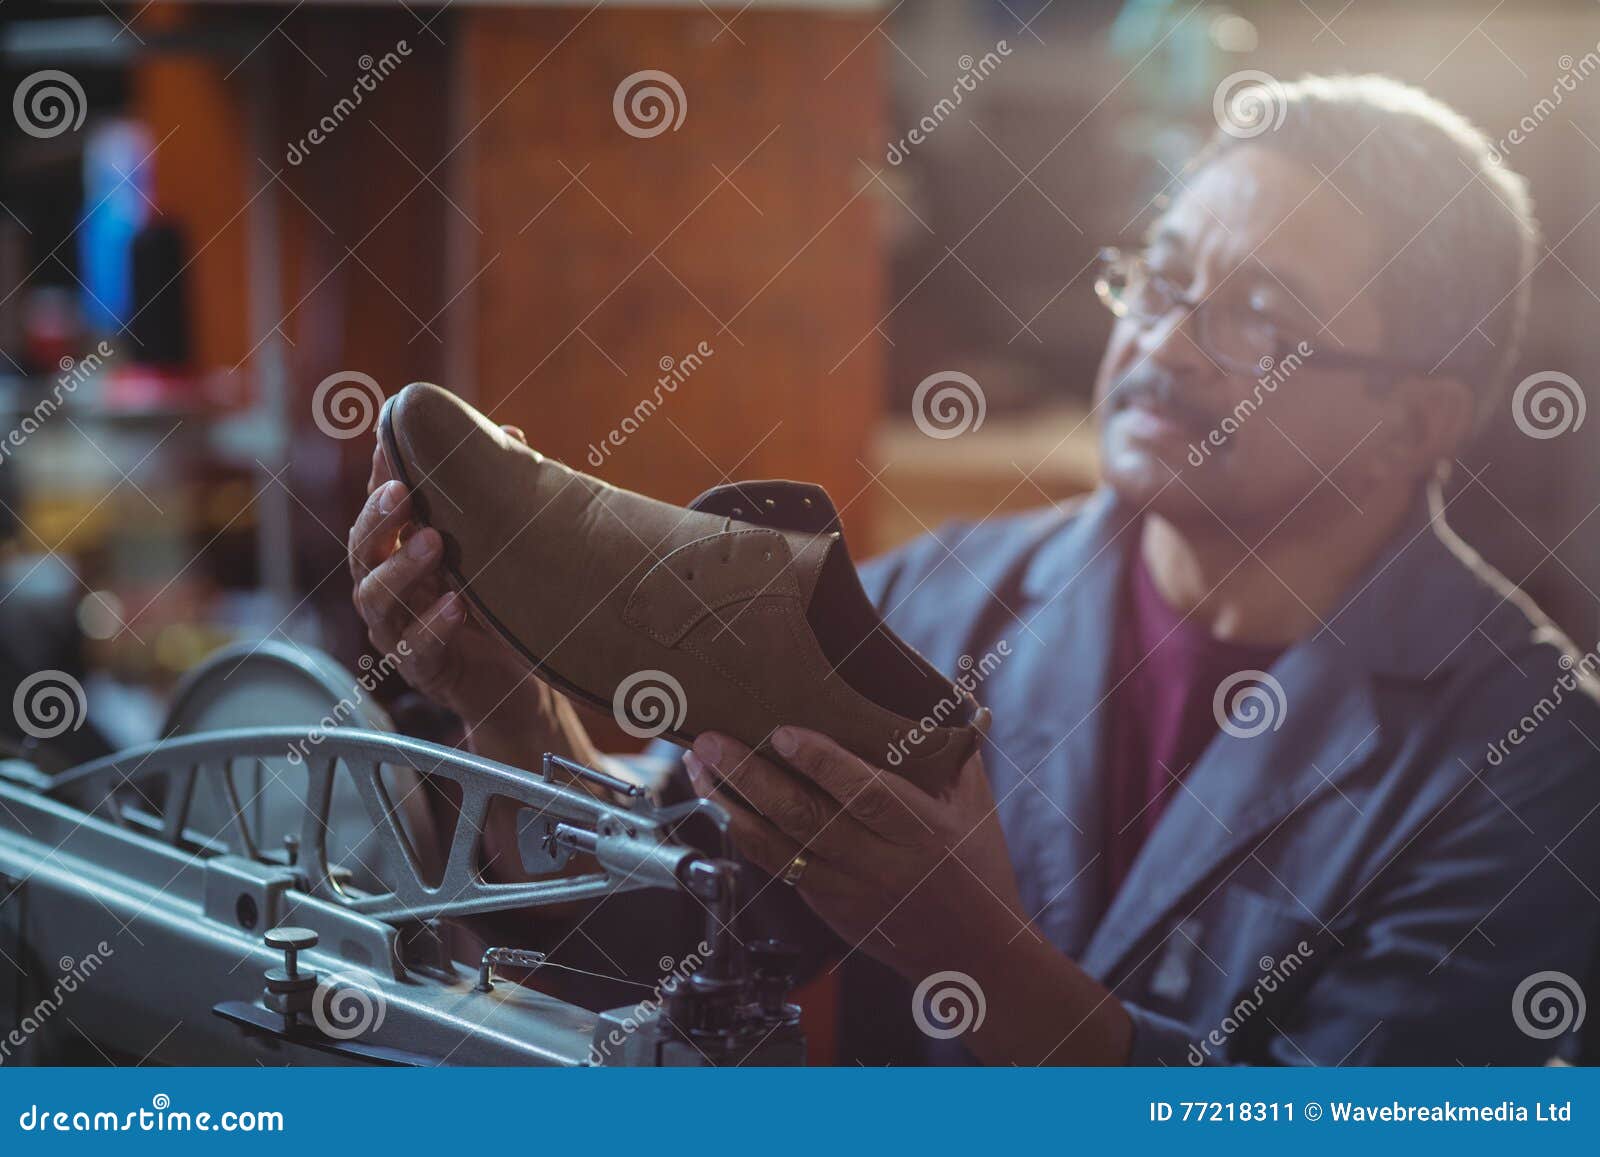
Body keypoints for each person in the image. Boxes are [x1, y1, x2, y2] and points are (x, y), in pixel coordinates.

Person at [346, 75, 1600, 1064]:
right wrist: (505, 705)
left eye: (1260, 317)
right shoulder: (936, 600)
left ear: (1417, 421)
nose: (1164, 342)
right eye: (1159, 282)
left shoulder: (1534, 765)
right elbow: (644, 959)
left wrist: (981, 958)